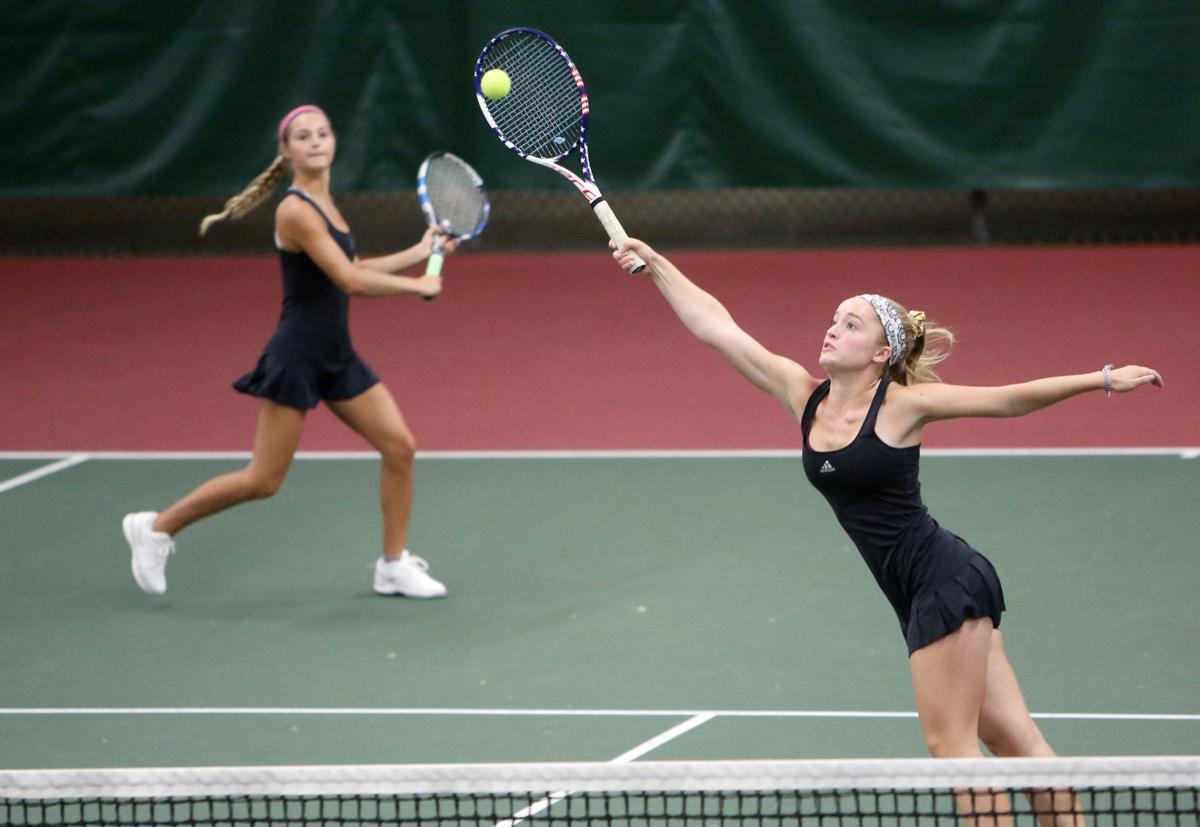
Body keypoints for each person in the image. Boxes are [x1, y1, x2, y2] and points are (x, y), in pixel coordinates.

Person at [611, 238, 1162, 825]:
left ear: (880, 353)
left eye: (851, 324)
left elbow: (1006, 400)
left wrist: (1102, 377)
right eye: (834, 319)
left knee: (952, 750)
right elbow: (718, 328)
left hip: (943, 581)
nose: (833, 329)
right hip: (920, 588)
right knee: (1012, 742)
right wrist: (658, 267)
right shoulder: (804, 396)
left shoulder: (902, 405)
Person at [123, 104, 452, 599]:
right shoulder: (294, 210)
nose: (316, 141)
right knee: (263, 480)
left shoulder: (325, 203)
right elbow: (348, 280)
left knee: (399, 448)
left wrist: (418, 252)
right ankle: (155, 529)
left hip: (336, 354)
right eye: (303, 136)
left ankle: (393, 565)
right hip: (297, 356)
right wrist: (417, 286)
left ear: (334, 142)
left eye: (323, 133)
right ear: (286, 151)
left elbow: (351, 264)